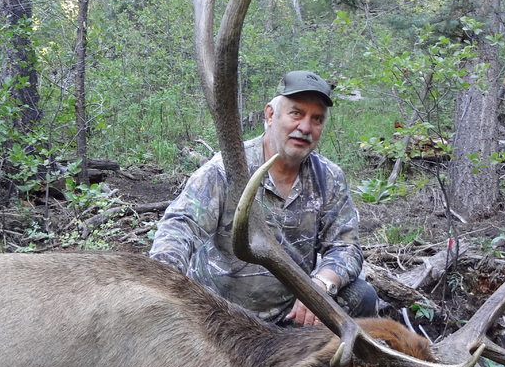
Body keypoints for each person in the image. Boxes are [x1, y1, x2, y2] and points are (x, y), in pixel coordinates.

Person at [150, 70, 378, 325]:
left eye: (317, 119)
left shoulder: (329, 178)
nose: (305, 127)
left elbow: (346, 247)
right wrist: (162, 284)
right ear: (270, 115)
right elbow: (180, 226)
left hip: (290, 318)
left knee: (362, 296)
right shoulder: (227, 169)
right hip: (217, 318)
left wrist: (320, 285)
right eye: (296, 113)